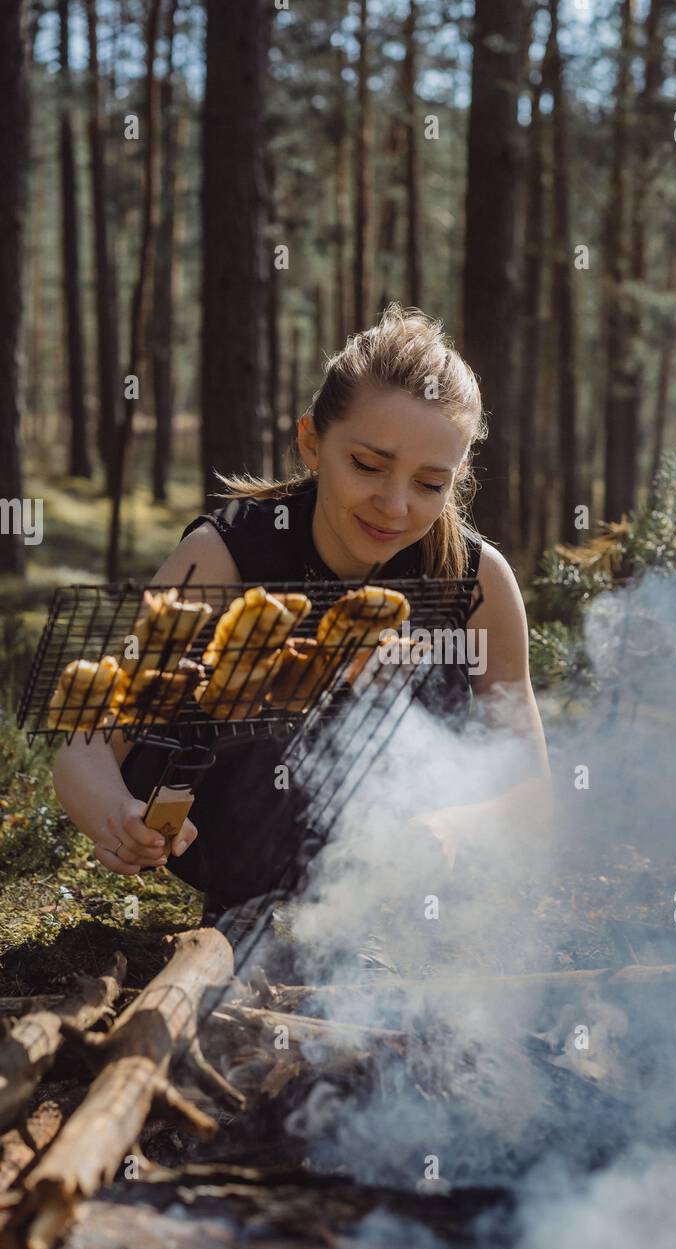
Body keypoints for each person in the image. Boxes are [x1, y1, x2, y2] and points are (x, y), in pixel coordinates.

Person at [52, 304, 551, 917]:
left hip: (408, 893)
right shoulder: (223, 555)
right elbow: (88, 737)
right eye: (367, 466)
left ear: (459, 475)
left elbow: (529, 786)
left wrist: (450, 829)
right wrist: (116, 814)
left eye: (429, 484)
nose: (393, 506)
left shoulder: (478, 580)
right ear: (311, 441)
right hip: (236, 863)